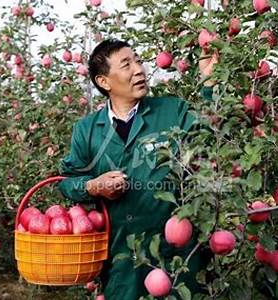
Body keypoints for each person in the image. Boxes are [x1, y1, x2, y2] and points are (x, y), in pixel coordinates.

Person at [58, 39, 217, 299]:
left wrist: (209, 85)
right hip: (121, 259)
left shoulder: (172, 111)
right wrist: (92, 186)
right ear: (104, 82)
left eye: (138, 61)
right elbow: (65, 181)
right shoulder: (86, 130)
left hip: (176, 259)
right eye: (126, 64)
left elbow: (208, 135)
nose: (139, 70)